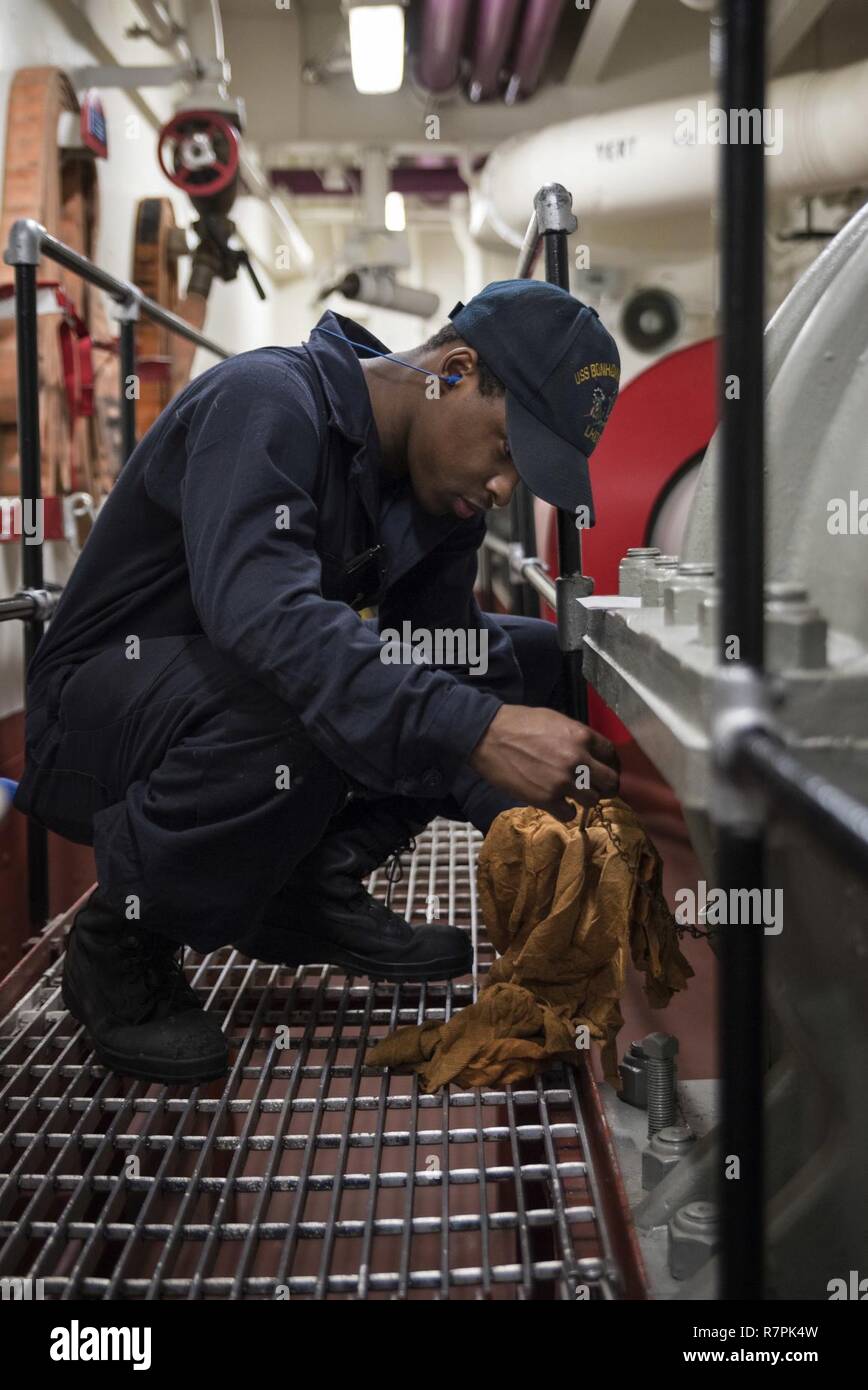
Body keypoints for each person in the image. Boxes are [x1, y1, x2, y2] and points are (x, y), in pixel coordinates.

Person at [14, 279, 622, 1084]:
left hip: (225, 708)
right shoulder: (267, 401)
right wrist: (478, 732)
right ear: (454, 369)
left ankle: (310, 880)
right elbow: (263, 620)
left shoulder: (441, 502)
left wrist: (535, 835)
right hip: (98, 716)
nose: (505, 488)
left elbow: (443, 659)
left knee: (528, 656)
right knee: (301, 690)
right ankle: (123, 939)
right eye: (508, 451)